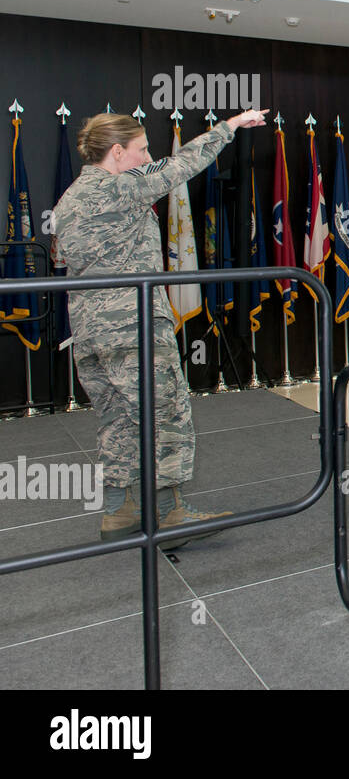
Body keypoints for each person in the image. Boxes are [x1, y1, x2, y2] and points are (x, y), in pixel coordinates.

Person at [55, 108, 268, 545]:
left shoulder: (70, 198)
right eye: (141, 149)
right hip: (133, 328)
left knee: (117, 420)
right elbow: (180, 166)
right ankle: (171, 516)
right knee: (164, 413)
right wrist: (228, 128)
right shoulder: (119, 189)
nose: (148, 156)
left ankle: (118, 512)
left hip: (89, 332)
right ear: (117, 152)